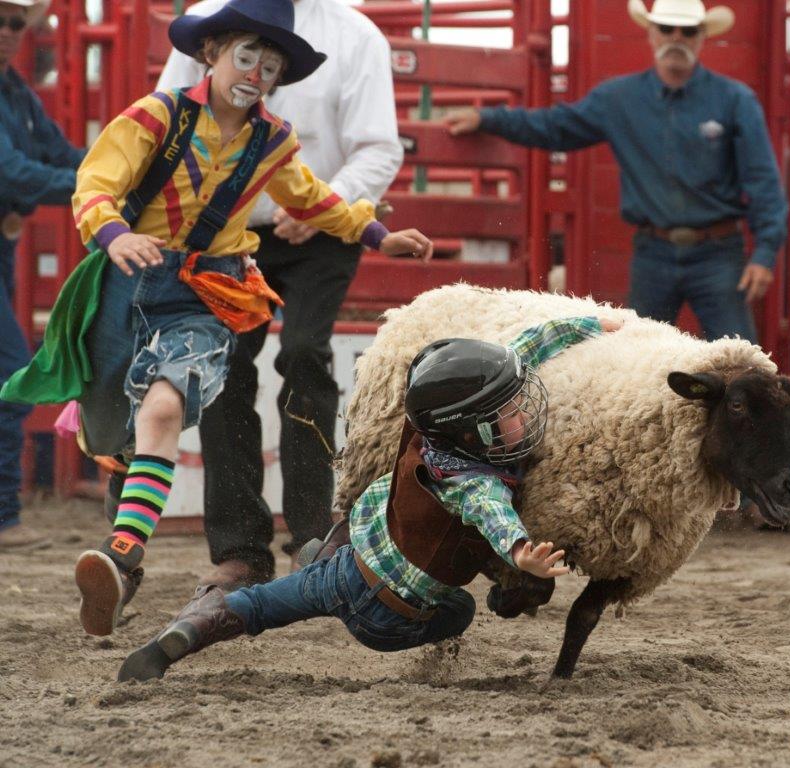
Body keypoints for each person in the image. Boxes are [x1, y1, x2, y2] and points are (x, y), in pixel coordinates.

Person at [0, 0, 431, 637]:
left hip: (209, 288)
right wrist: (114, 234)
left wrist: (374, 233)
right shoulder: (156, 116)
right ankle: (128, 566)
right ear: (211, 55)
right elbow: (95, 181)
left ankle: (129, 557)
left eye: (271, 65)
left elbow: (310, 197)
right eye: (246, 57)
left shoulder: (275, 138)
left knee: (172, 406)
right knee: (115, 425)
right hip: (126, 278)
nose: (256, 72)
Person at [117, 315, 621, 682]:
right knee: (462, 609)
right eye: (507, 415)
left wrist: (588, 326)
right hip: (387, 618)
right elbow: (495, 518)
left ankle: (188, 630)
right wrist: (519, 556)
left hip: (354, 563)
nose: (522, 417)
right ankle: (495, 593)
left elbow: (522, 348)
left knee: (262, 603)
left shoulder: (424, 420)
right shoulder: (476, 482)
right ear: (469, 434)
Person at [154, 0, 404, 588]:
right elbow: (171, 120)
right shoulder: (214, 16)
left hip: (323, 227)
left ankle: (312, 533)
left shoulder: (355, 34)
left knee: (305, 354)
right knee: (226, 366)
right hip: (226, 227)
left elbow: (377, 147)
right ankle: (240, 549)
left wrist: (324, 207)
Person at [445, 0, 788, 346]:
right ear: (651, 33)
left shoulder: (734, 100)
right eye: (667, 29)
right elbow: (556, 126)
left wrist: (764, 252)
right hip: (655, 253)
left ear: (702, 37)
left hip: (717, 252)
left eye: (688, 31)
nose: (677, 38)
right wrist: (488, 119)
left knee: (740, 360)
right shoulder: (620, 99)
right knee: (641, 358)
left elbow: (762, 179)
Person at [0, 0, 85, 551]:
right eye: (3, 21)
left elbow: (63, 155)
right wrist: (100, 185)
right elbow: (12, 172)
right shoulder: (17, 97)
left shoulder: (19, 96)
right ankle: (2, 512)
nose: (10, 32)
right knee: (10, 369)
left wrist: (117, 169)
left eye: (15, 23)